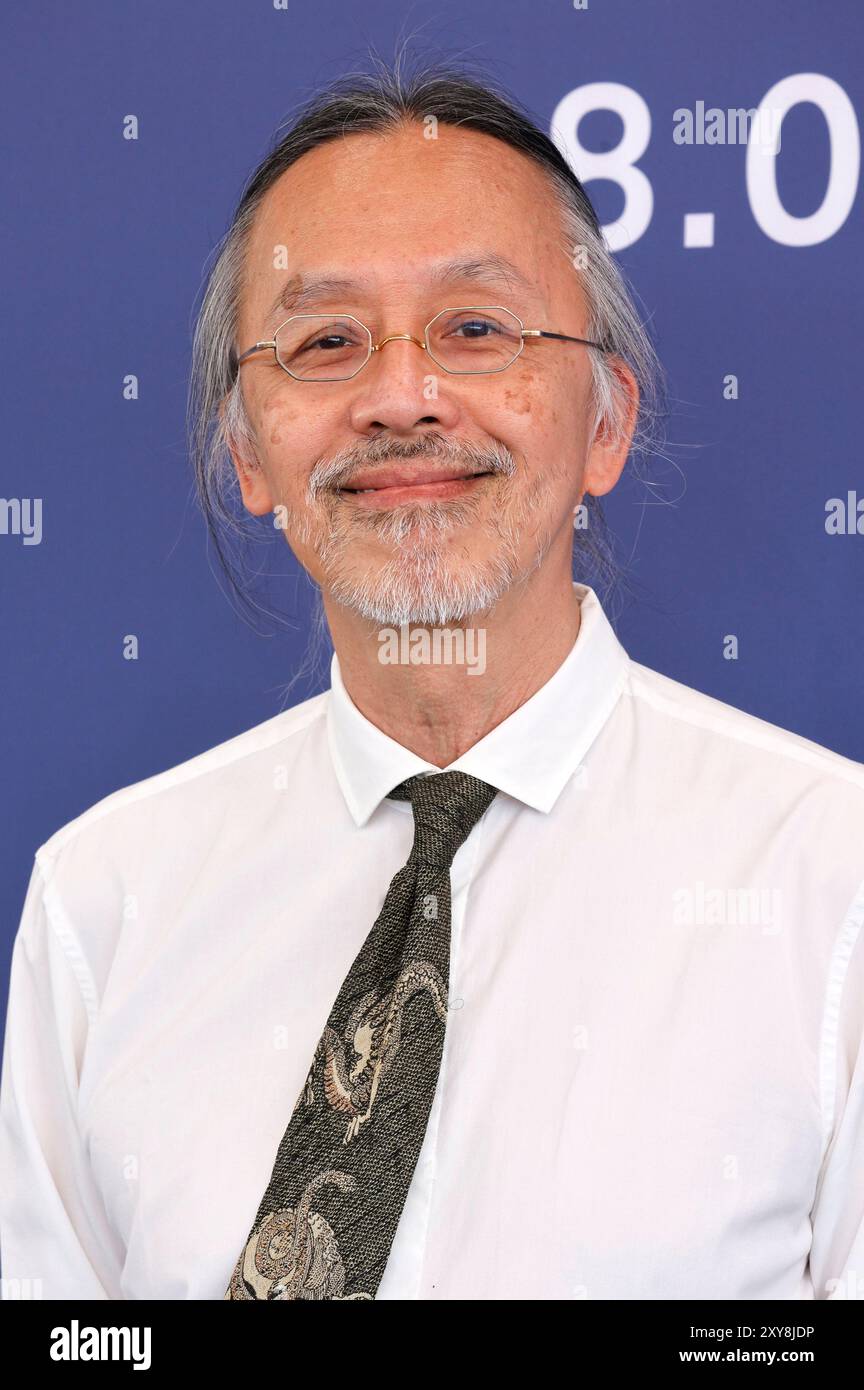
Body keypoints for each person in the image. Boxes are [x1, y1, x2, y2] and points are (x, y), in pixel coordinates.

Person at [1, 57, 862, 1301]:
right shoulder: (101, 903)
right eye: (325, 342)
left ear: (607, 422)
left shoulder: (831, 885)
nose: (401, 396)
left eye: (475, 328)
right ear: (247, 452)